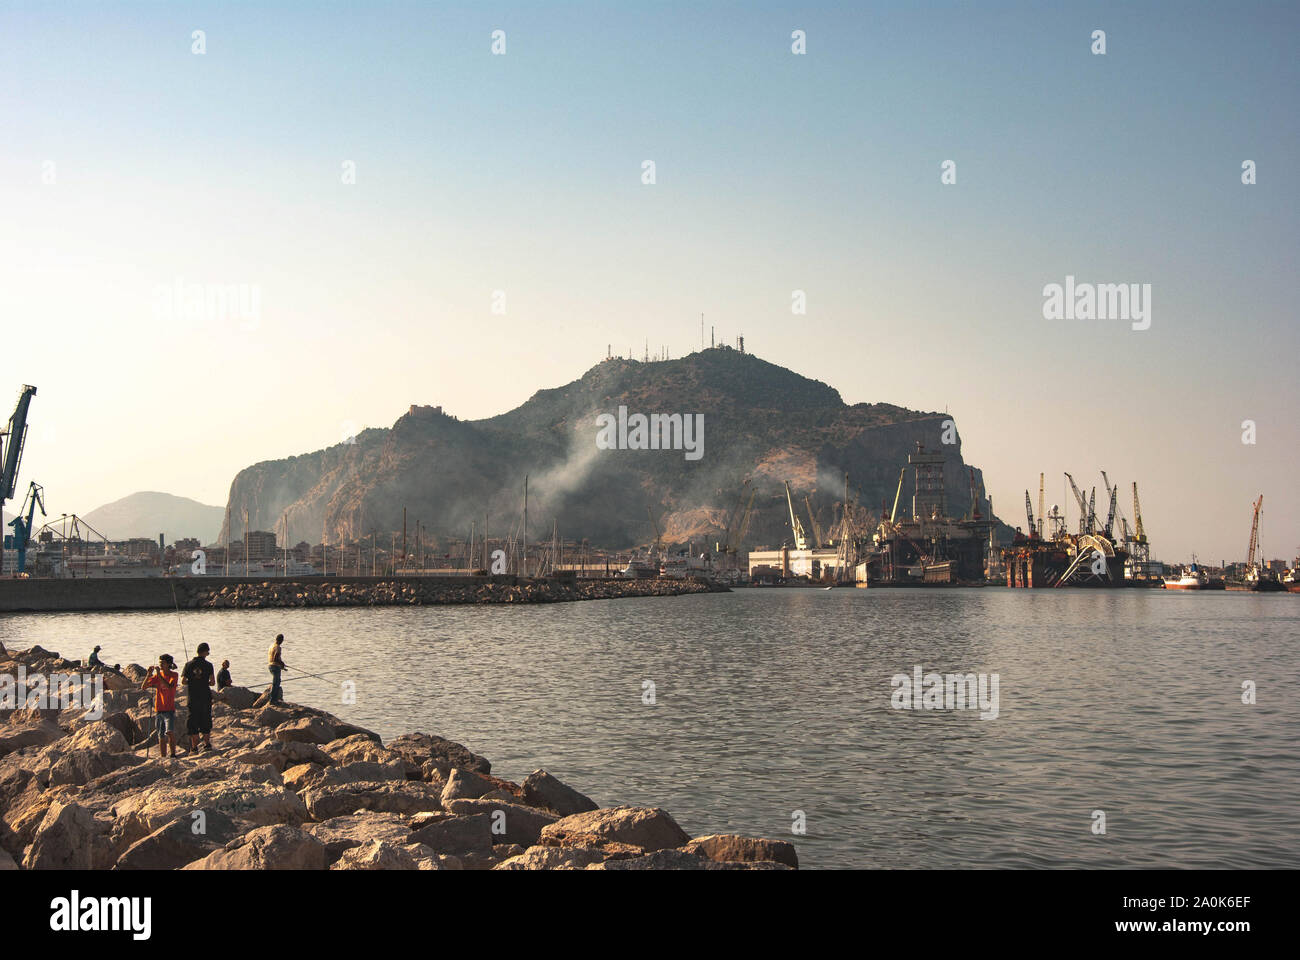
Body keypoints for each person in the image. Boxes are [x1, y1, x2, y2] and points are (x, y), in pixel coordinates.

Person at [141, 654, 179, 758]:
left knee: (170, 732)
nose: (160, 664)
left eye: (162, 663)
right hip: (159, 709)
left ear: (168, 664)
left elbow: (169, 686)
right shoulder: (158, 676)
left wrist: (158, 674)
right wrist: (148, 674)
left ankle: (173, 754)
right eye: (160, 663)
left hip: (169, 709)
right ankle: (163, 756)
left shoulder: (174, 675)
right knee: (160, 735)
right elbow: (143, 687)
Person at [182, 642, 216, 752]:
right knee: (205, 719)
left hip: (193, 697)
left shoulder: (188, 664)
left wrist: (192, 682)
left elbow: (183, 681)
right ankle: (207, 745)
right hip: (205, 697)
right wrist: (203, 682)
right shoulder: (209, 665)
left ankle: (194, 747)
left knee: (193, 721)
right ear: (205, 652)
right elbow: (212, 682)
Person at [267, 634, 287, 704]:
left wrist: (281, 665)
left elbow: (273, 658)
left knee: (276, 682)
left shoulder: (272, 646)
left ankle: (273, 699)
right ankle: (273, 700)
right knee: (276, 683)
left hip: (270, 665)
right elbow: (275, 658)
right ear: (281, 640)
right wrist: (282, 663)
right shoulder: (278, 647)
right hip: (275, 666)